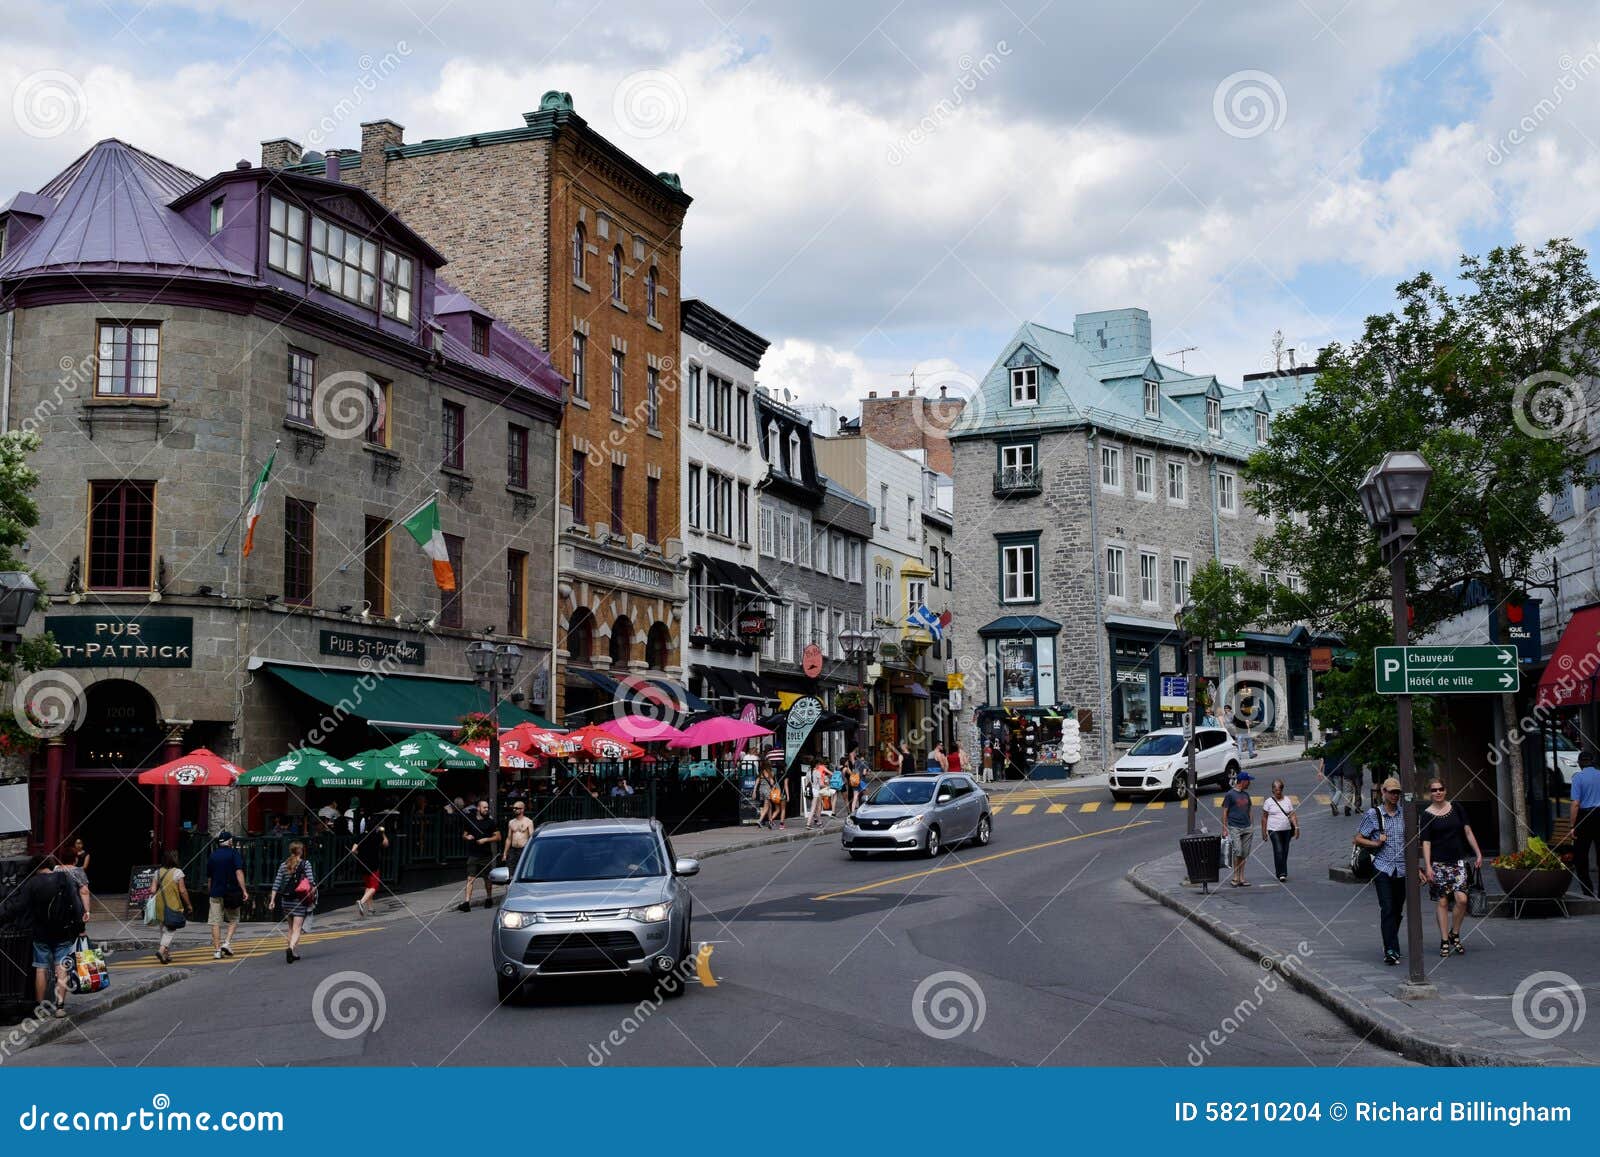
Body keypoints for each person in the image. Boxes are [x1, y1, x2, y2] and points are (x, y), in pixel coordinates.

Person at [1421, 777, 1483, 958]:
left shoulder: (1457, 808)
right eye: (1434, 790)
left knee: (1462, 899)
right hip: (1438, 864)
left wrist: (1478, 853)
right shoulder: (1427, 814)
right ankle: (1443, 940)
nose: (1438, 792)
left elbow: (1468, 832)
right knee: (1442, 902)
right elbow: (1426, 842)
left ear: (1445, 790)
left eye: (1440, 789)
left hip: (1458, 862)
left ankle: (1454, 933)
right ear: (1429, 793)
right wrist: (1428, 866)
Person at [20, 856, 82, 1018]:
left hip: (40, 932)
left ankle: (40, 1008)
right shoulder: (63, 878)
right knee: (61, 968)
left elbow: (22, 907)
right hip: (62, 930)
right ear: (49, 865)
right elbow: (75, 902)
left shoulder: (31, 883)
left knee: (41, 968)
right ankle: (60, 1007)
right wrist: (80, 926)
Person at [1355, 777, 1408, 965]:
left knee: (1397, 909)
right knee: (1387, 908)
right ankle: (1391, 949)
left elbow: (1411, 842)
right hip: (1382, 867)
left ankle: (1389, 941)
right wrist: (1376, 842)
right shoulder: (1374, 814)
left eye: (1397, 792)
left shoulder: (1404, 814)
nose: (1395, 795)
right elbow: (1358, 839)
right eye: (1391, 792)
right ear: (1383, 792)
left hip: (1401, 868)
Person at [268, 840, 316, 964]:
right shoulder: (306, 864)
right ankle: (290, 948)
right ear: (301, 850)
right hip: (299, 900)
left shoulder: (284, 865)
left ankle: (293, 953)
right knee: (297, 929)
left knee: (290, 928)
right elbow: (311, 882)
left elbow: (277, 883)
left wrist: (272, 900)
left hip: (286, 901)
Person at [204, 831, 248, 959]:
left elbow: (210, 877)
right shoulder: (234, 854)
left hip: (215, 893)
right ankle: (227, 942)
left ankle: (217, 950)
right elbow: (239, 872)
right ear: (229, 842)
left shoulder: (213, 856)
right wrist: (244, 890)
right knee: (234, 919)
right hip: (232, 892)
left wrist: (210, 891)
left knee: (215, 922)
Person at [148, 849, 191, 965]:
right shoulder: (178, 873)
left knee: (163, 929)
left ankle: (166, 955)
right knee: (171, 929)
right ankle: (161, 950)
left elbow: (152, 890)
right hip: (173, 905)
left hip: (160, 905)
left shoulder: (157, 872)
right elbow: (182, 891)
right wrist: (188, 904)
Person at [458, 799, 501, 911]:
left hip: (486, 854)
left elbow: (498, 837)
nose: (486, 809)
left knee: (487, 879)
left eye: (487, 808)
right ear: (478, 808)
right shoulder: (471, 820)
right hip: (473, 854)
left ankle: (489, 898)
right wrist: (467, 837)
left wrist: (486, 839)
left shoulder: (490, 822)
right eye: (484, 807)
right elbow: (464, 834)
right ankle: (467, 903)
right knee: (470, 878)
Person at [1260, 777, 1299, 882]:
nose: (1278, 792)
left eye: (1279, 790)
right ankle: (1281, 873)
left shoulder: (1287, 800)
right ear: (1272, 790)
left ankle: (1282, 870)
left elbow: (1292, 814)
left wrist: (1296, 827)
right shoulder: (1268, 802)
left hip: (1286, 830)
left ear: (1282, 790)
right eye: (1275, 790)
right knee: (1278, 850)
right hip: (1273, 830)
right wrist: (1263, 832)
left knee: (1285, 851)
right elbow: (1264, 817)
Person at [1572, 750, 1600, 898]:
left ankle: (1587, 892)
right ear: (1593, 762)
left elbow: (1575, 804)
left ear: (1580, 764)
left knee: (1581, 856)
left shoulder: (1578, 777)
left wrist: (1573, 826)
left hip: (1585, 817)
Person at [352, 816, 389, 918]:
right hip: (373, 864)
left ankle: (371, 909)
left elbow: (353, 850)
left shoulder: (361, 836)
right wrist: (383, 833)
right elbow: (386, 844)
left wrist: (360, 854)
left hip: (362, 864)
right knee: (375, 886)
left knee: (368, 886)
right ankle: (361, 901)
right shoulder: (377, 836)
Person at [1222, 771, 1254, 887]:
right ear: (1244, 781)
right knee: (1238, 851)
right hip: (1234, 827)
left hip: (1247, 827)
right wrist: (1224, 828)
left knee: (1244, 853)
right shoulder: (1230, 794)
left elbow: (1250, 809)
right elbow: (1225, 811)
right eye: (1248, 781)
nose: (1250, 783)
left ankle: (1241, 877)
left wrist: (1251, 825)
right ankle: (1235, 876)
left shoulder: (1246, 795)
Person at [504, 799, 534, 872]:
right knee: (511, 869)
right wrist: (505, 853)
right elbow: (509, 838)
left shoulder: (528, 822)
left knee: (523, 869)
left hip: (523, 849)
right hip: (513, 850)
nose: (514, 809)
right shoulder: (511, 822)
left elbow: (532, 837)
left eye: (517, 808)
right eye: (514, 808)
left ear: (522, 809)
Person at [807, 759, 833, 828]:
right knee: (814, 808)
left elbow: (808, 782)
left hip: (811, 790)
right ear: (816, 765)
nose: (819, 766)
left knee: (818, 807)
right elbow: (821, 784)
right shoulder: (817, 772)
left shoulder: (808, 772)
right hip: (817, 791)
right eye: (818, 764)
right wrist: (827, 786)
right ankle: (808, 823)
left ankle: (819, 822)